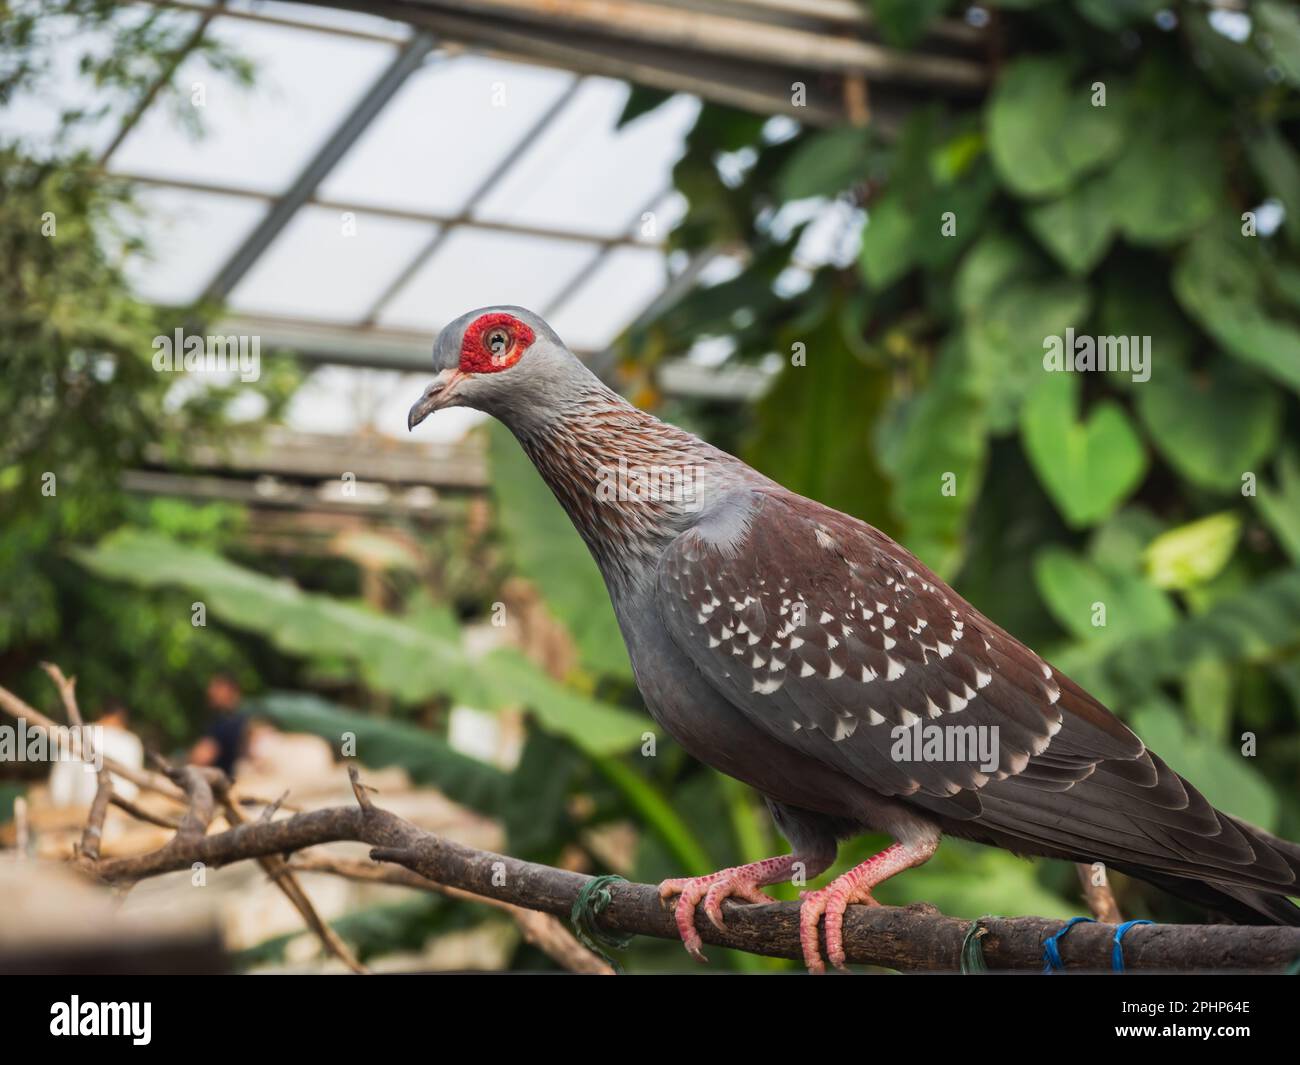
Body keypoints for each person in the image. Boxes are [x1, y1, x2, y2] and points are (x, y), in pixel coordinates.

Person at [188, 674, 248, 779]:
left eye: (216, 687)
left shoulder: (226, 724)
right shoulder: (242, 719)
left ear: (228, 689)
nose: (210, 691)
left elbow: (200, 758)